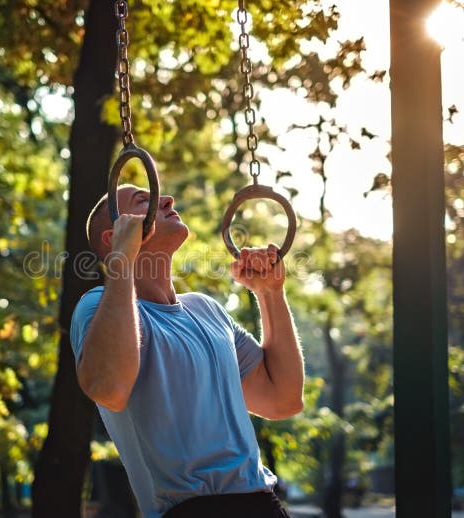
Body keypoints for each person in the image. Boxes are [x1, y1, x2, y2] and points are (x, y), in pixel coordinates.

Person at [71, 184, 304, 518]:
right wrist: (123, 257)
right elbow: (108, 387)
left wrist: (270, 294)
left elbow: (283, 399)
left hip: (262, 505)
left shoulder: (206, 309)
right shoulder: (94, 306)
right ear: (115, 235)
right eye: (143, 200)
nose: (166, 199)